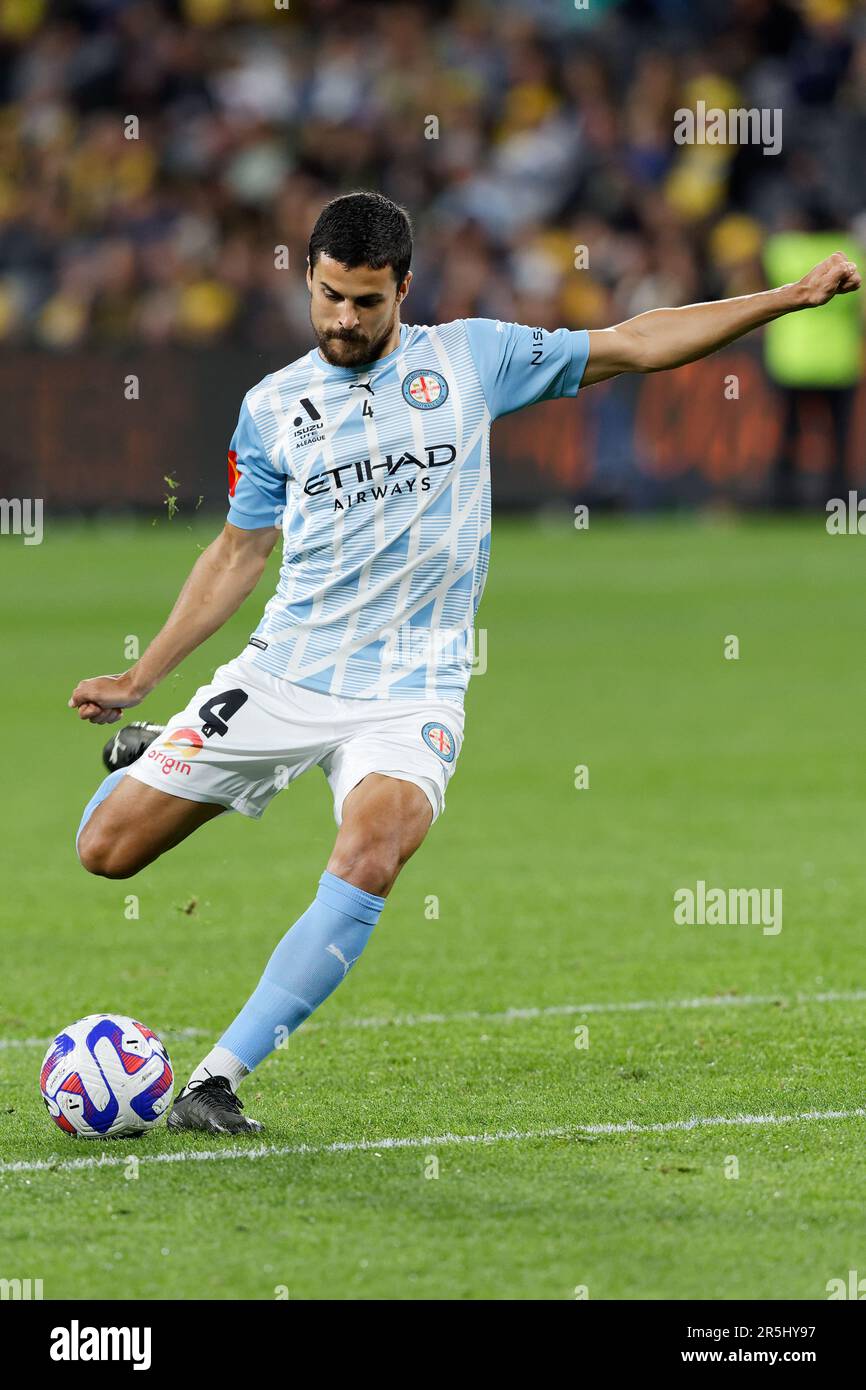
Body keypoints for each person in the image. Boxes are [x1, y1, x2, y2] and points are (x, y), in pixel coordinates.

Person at [69, 191, 860, 1134]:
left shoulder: (471, 358)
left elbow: (636, 341)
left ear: (405, 287)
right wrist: (138, 677)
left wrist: (785, 298)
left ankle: (217, 1080)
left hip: (413, 687)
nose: (344, 321)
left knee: (374, 850)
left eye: (366, 302)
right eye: (328, 298)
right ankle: (156, 746)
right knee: (104, 852)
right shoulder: (272, 407)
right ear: (307, 282)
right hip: (286, 672)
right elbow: (240, 552)